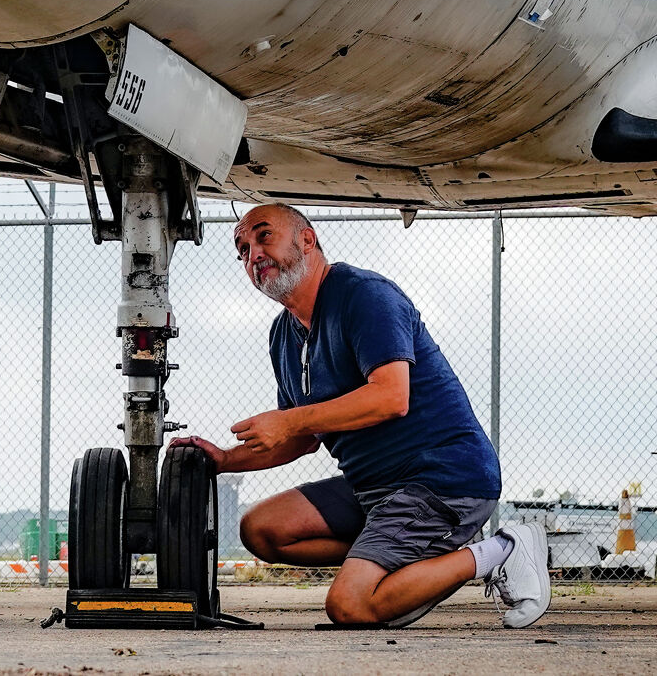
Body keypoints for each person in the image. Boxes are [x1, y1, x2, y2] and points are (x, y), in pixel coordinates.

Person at [172, 203, 549, 628]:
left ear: (307, 241)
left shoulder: (364, 295)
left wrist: (290, 420)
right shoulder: (283, 334)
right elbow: (302, 437)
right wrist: (223, 460)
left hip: (441, 480)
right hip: (373, 488)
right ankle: (407, 561)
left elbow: (391, 397)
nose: (252, 255)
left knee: (351, 606)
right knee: (261, 528)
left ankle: (501, 550)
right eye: (241, 250)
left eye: (263, 236)